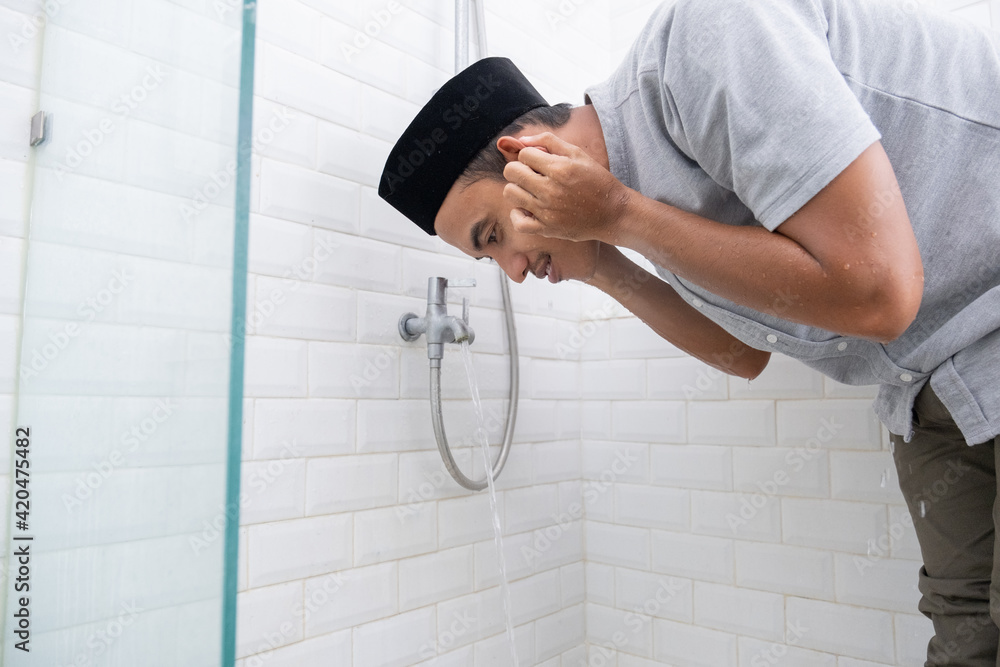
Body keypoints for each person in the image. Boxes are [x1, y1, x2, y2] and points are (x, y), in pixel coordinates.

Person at [378, 0, 1000, 662]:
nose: (515, 269)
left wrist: (620, 216)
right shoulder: (649, 198)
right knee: (966, 633)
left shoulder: (710, 36)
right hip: (930, 386)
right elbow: (743, 355)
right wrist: (600, 257)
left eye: (493, 236)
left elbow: (880, 292)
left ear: (528, 156)